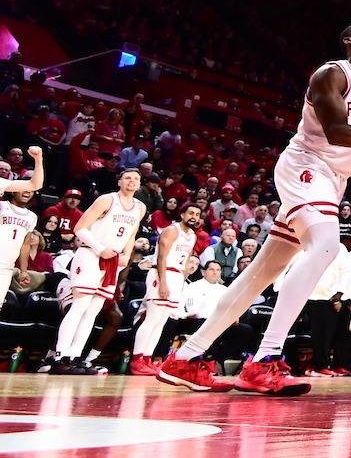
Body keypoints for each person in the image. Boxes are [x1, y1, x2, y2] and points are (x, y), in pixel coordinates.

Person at [156, 21, 351, 395]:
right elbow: (337, 130)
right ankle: (265, 358)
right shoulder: (332, 74)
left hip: (334, 180)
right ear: (348, 39)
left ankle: (186, 358)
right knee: (326, 246)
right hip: (305, 165)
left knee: (260, 274)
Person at [48, 167, 146, 374]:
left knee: (93, 311)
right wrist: (100, 249)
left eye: (136, 179)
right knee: (79, 306)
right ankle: (59, 356)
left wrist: (127, 255)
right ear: (119, 181)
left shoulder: (140, 207)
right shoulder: (106, 200)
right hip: (90, 255)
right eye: (127, 177)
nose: (132, 181)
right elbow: (80, 228)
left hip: (113, 261)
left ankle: (75, 356)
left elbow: (131, 234)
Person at [129, 201, 203, 374]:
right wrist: (163, 282)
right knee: (152, 319)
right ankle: (136, 359)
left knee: (161, 322)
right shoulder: (171, 230)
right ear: (182, 215)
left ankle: (147, 359)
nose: (194, 217)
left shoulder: (192, 235)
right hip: (162, 273)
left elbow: (185, 261)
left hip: (177, 277)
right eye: (191, 213)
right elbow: (162, 257)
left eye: (197, 215)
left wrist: (181, 282)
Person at [2, 146, 45, 307]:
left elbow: (25, 245)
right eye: (23, 189)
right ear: (14, 191)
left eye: (30, 191)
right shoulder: (2, 206)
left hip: (6, 267)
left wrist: (23, 271)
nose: (27, 191)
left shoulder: (32, 217)